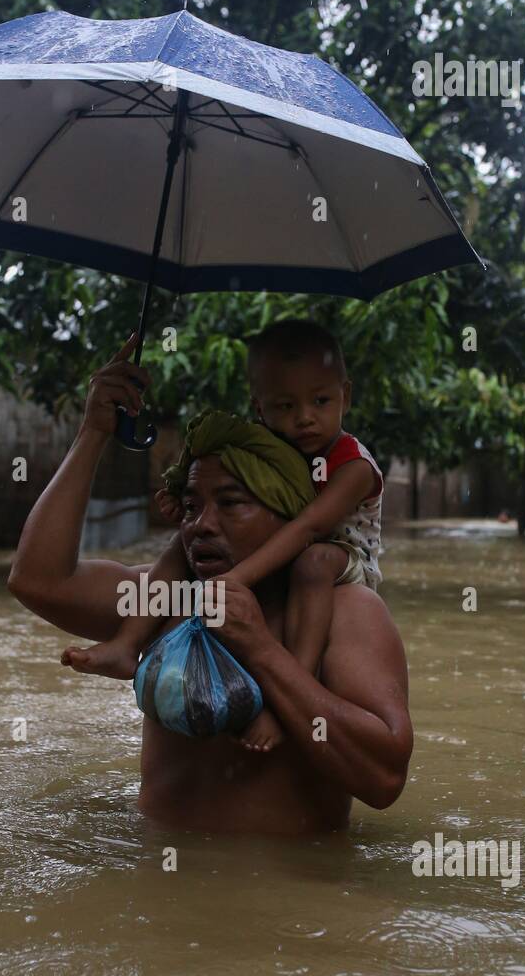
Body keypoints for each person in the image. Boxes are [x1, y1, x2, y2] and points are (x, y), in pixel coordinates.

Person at [7, 335, 413, 836]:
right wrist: (93, 431)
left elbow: (385, 777)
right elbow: (36, 579)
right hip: (156, 891)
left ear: (287, 514)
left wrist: (263, 651)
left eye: (231, 503)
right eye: (193, 505)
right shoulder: (168, 600)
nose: (202, 524)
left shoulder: (348, 612)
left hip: (285, 905)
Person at [60, 320, 382, 754]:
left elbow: (308, 526)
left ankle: (292, 691)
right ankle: (127, 643)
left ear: (346, 396)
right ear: (260, 409)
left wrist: (235, 581)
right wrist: (178, 499)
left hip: (343, 558)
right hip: (291, 550)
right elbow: (36, 580)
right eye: (285, 406)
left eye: (321, 401)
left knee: (314, 562)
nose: (304, 417)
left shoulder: (354, 466)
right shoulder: (267, 448)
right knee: (180, 542)